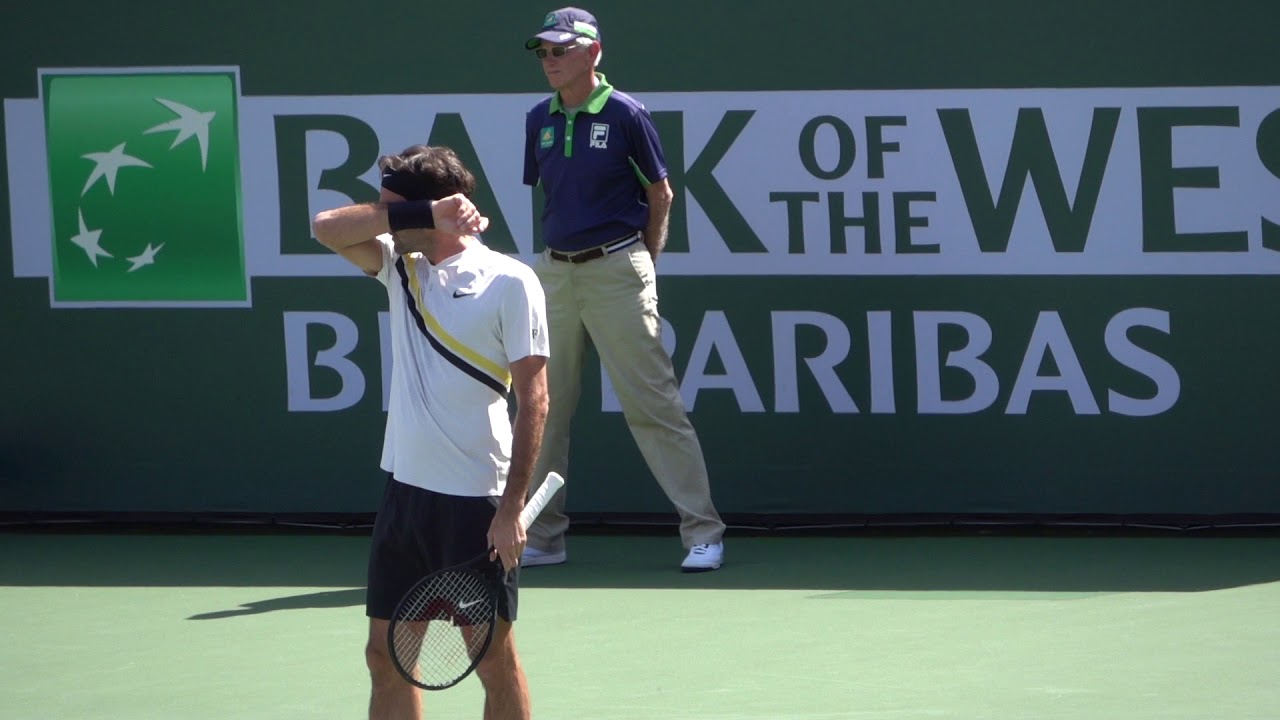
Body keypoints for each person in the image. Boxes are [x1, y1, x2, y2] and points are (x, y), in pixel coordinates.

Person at [312, 144, 549, 720]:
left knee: (492, 660)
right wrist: (417, 216)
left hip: (476, 502)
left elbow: (536, 401)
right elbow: (324, 228)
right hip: (405, 497)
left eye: (395, 205)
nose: (383, 216)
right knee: (384, 656)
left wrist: (510, 509)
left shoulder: (510, 282)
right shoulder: (400, 263)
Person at [520, 7, 726, 572]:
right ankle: (542, 537)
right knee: (543, 408)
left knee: (653, 405)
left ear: (593, 52)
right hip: (553, 276)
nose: (550, 61)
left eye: (560, 50)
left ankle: (702, 532)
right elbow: (553, 199)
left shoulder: (628, 115)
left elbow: (661, 195)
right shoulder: (539, 117)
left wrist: (642, 262)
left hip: (617, 270)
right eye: (544, 52)